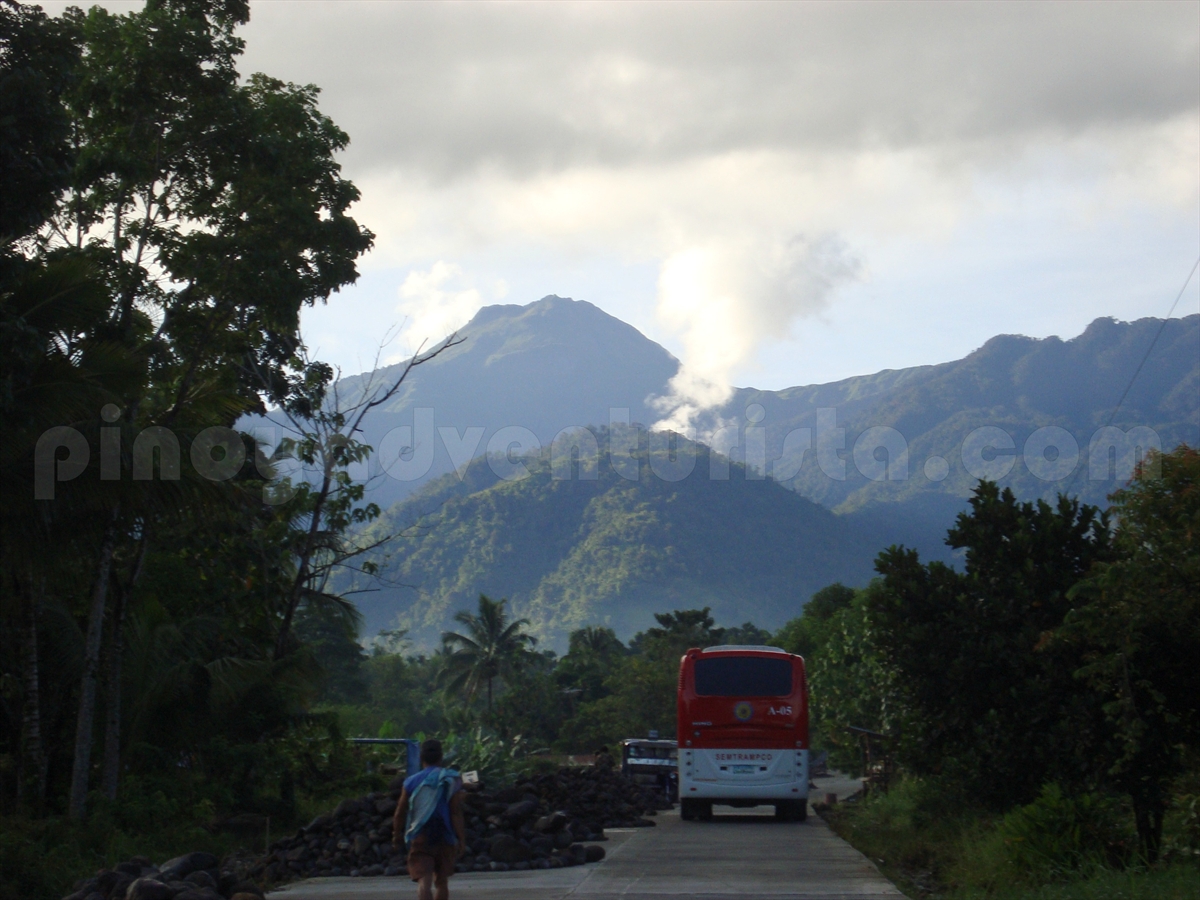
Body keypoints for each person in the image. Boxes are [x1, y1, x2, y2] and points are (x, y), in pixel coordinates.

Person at [392, 739, 465, 900]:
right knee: (441, 882)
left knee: (424, 881)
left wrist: (396, 835)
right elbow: (455, 813)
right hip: (445, 836)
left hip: (420, 835)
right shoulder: (450, 779)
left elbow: (400, 812)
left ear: (421, 758)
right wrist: (461, 838)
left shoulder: (411, 782)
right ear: (441, 757)